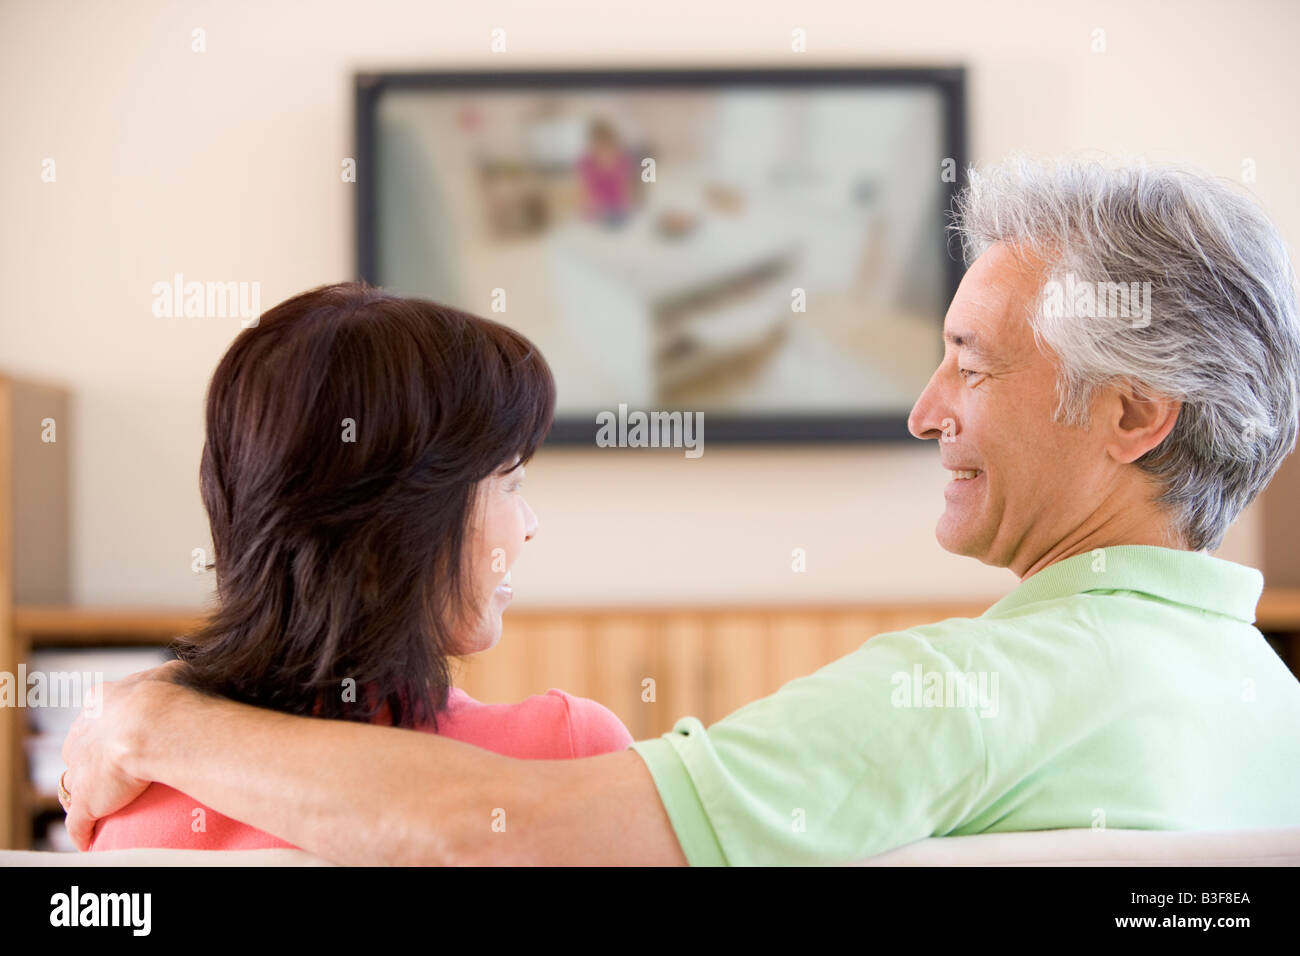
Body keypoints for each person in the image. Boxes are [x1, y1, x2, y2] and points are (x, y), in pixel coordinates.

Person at [63, 159, 1300, 865]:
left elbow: (491, 834)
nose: (925, 410)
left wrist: (151, 719)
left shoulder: (961, 698)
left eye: (970, 365)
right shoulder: (1269, 706)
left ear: (1132, 415)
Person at [85, 282, 633, 851]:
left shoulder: (124, 798)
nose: (529, 524)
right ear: (386, 542)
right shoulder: (571, 756)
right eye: (510, 483)